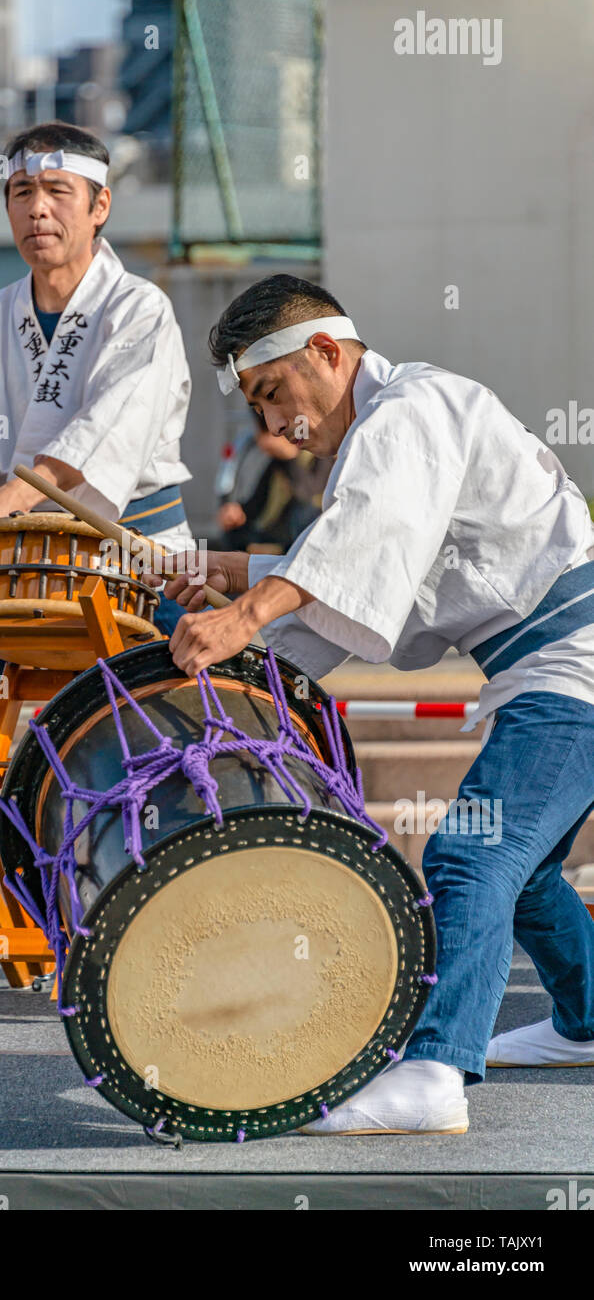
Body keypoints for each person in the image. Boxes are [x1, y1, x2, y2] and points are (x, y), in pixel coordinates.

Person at [153, 273, 594, 1134]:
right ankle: (586, 1020)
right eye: (257, 407)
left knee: (469, 858)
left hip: (575, 666)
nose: (276, 426)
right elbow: (346, 561)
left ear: (325, 350)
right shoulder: (387, 434)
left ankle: (434, 1073)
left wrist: (246, 616)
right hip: (554, 667)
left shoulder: (409, 413)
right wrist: (229, 575)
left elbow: (359, 548)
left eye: (274, 394)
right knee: (528, 872)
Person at [0, 121, 194, 971]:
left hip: (134, 559)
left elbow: (105, 446)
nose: (39, 210)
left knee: (176, 730)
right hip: (12, 568)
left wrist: (11, 495)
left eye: (58, 194)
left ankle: (182, 905)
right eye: (22, 193)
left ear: (100, 207)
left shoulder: (141, 311)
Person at [217, 408, 330, 552]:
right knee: (234, 534)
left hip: (304, 533)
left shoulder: (321, 453)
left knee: (303, 513)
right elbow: (259, 500)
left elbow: (307, 494)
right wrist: (240, 511)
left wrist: (289, 458)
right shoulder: (277, 461)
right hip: (275, 532)